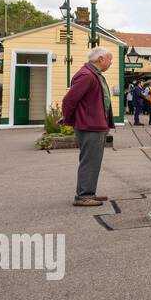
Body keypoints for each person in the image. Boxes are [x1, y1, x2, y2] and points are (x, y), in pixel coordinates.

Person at [60, 47, 116, 207]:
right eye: (110, 59)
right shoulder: (87, 76)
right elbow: (69, 100)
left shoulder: (92, 74)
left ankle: (88, 192)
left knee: (93, 161)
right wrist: (69, 119)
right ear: (100, 59)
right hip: (90, 126)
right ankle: (84, 196)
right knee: (90, 161)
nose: (111, 63)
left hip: (94, 125)